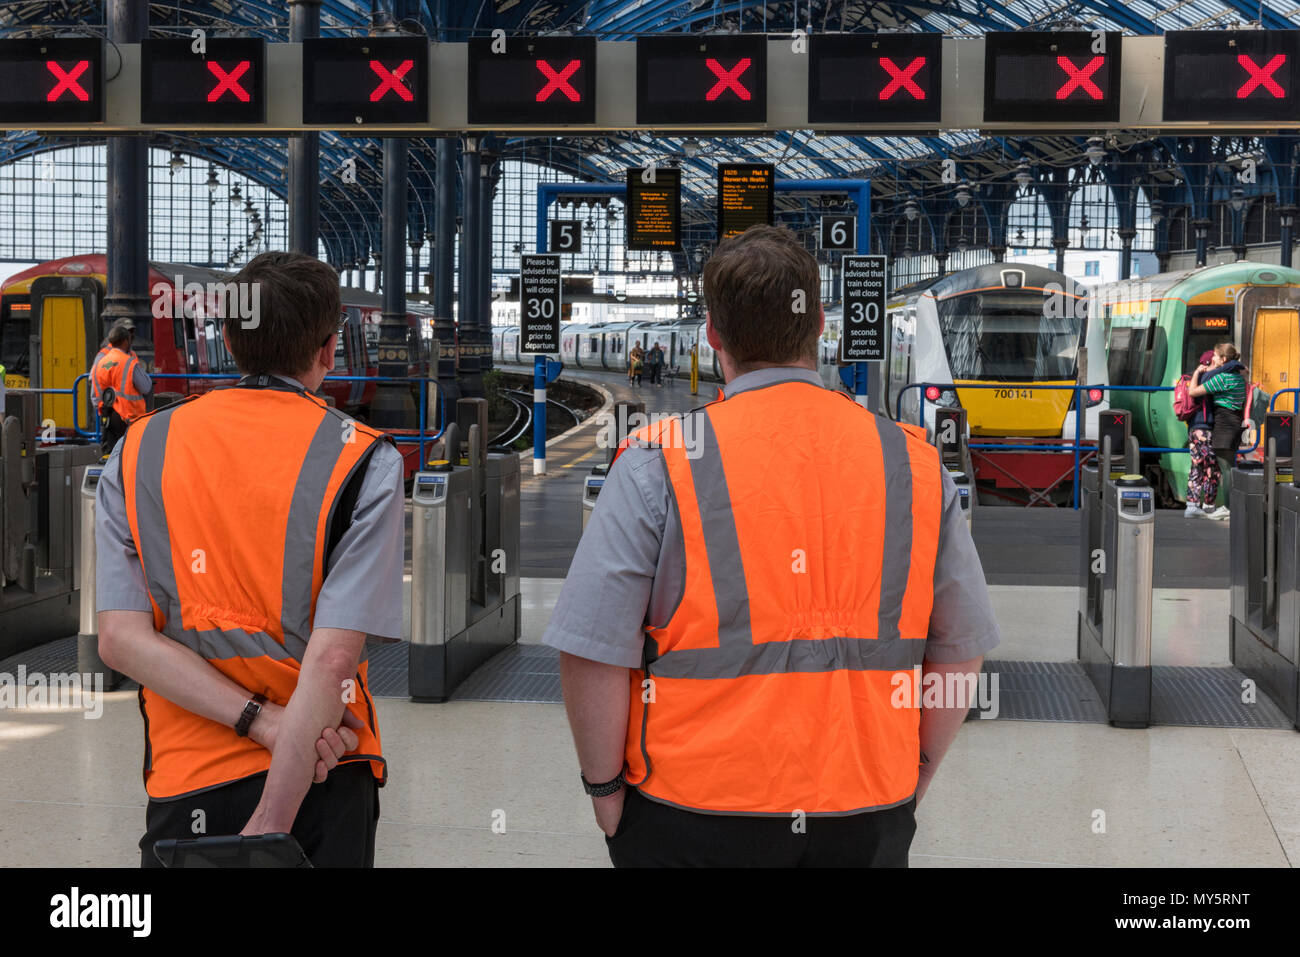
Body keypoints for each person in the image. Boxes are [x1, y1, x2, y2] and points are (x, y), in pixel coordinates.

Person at [544, 225, 1001, 868]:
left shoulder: (658, 462)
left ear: (712, 334)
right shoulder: (915, 463)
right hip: (865, 810)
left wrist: (605, 790)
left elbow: (592, 650)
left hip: (689, 811)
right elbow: (959, 654)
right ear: (818, 324)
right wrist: (913, 776)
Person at [94, 251, 405, 867]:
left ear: (231, 341)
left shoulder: (137, 451)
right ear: (328, 349)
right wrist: (269, 824)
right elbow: (334, 655)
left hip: (188, 776)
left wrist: (257, 721)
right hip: (323, 771)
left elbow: (120, 641)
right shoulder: (365, 459)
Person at [1189, 341, 1248, 521]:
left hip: (1224, 425)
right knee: (1229, 466)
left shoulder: (1222, 378)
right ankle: (1231, 506)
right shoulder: (1238, 377)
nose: (1212, 359)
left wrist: (1197, 373)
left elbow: (1193, 392)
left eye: (1215, 356)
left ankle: (1229, 508)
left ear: (1223, 359)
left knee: (1226, 468)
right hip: (1234, 423)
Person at [93, 320, 153, 455]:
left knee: (111, 455)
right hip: (129, 417)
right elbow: (146, 387)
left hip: (107, 416)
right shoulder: (129, 362)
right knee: (131, 455)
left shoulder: (100, 363)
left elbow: (95, 395)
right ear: (125, 341)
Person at [1183, 349, 1219, 518]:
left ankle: (1192, 505)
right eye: (1217, 359)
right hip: (1203, 428)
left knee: (1197, 466)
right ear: (1210, 363)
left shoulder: (1198, 378)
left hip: (1195, 428)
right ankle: (1209, 505)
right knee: (1211, 467)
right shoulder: (1209, 379)